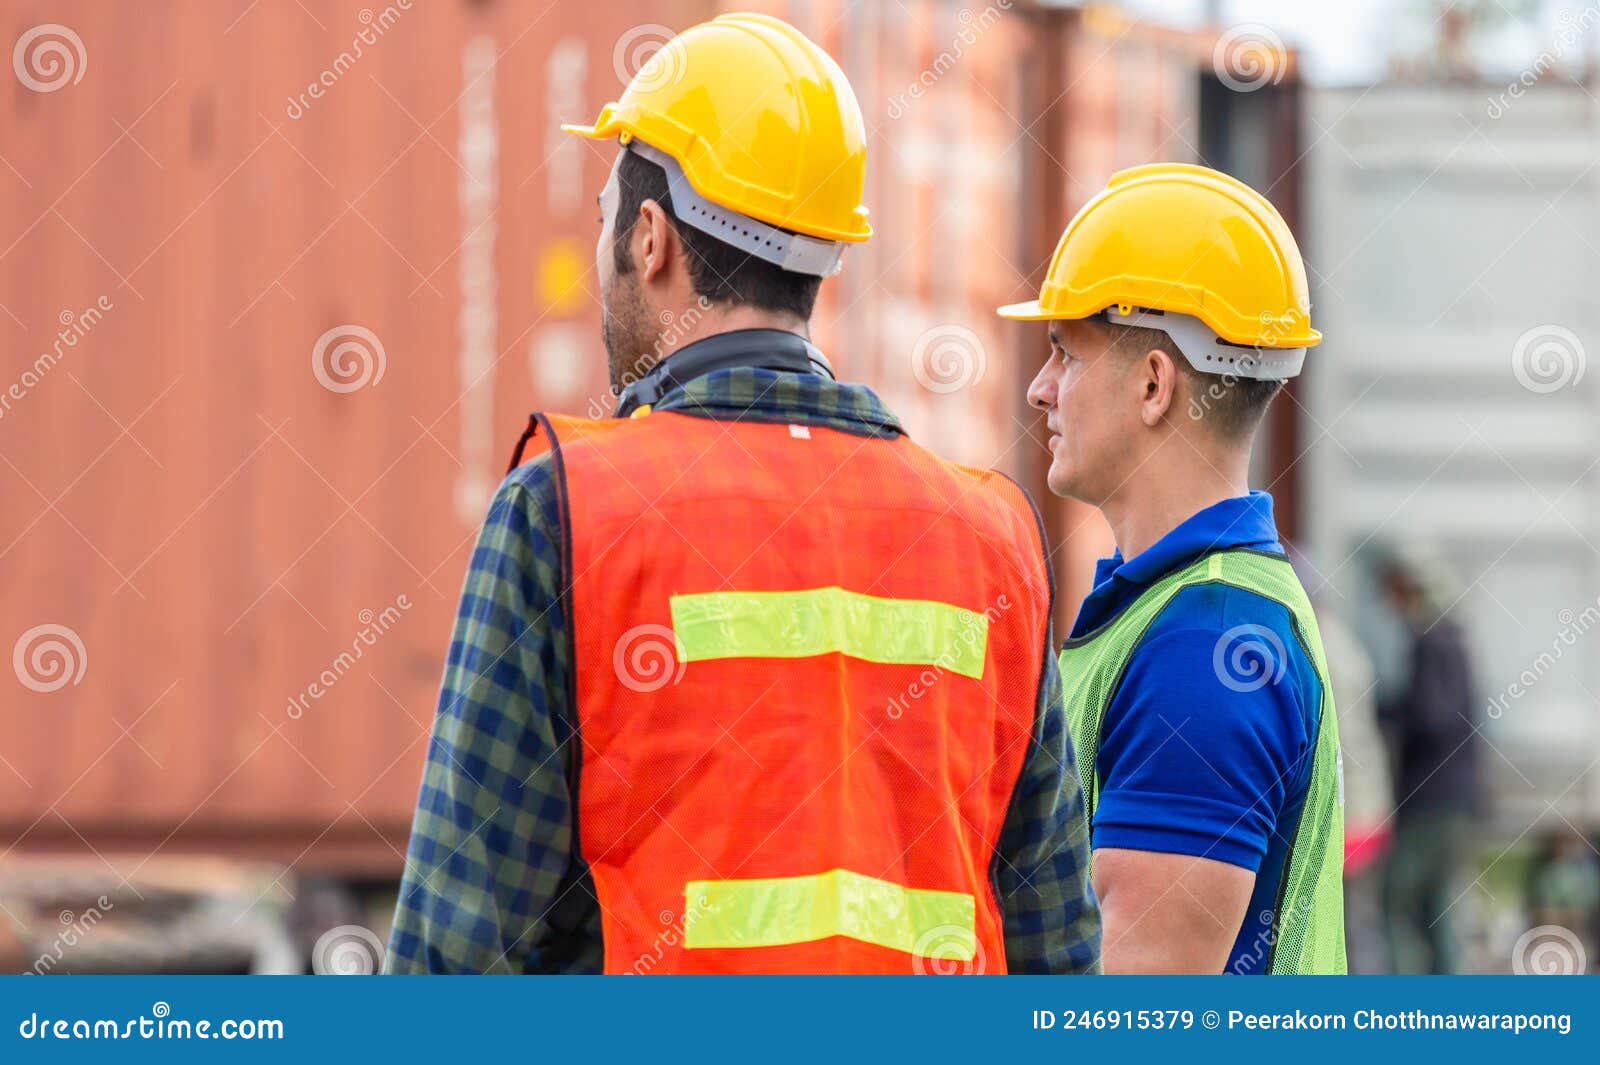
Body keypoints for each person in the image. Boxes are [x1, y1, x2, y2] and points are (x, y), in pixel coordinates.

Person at [384, 13, 1100, 975]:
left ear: (649, 239)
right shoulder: (991, 538)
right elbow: (1054, 949)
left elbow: (456, 953)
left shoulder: (566, 511)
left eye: (605, 222)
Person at [998, 163, 1345, 974]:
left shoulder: (1204, 652)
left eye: (1064, 352)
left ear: (1156, 384)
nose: (1038, 389)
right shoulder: (1188, 612)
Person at [1376, 546, 1480, 974]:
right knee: (1438, 904)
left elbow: (1431, 717)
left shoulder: (1431, 643)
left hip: (1430, 794)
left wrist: (1387, 711)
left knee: (1397, 899)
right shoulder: (1455, 638)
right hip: (1455, 792)